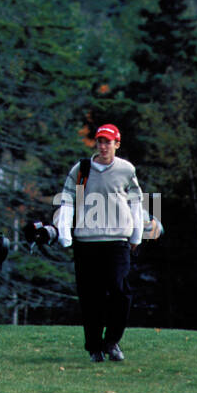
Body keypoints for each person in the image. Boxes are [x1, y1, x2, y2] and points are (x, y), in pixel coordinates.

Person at [53, 123, 143, 363]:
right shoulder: (81, 169)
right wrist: (65, 235)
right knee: (90, 297)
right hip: (86, 242)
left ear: (117, 144)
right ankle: (94, 347)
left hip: (117, 241)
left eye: (108, 142)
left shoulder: (126, 170)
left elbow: (136, 202)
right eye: (100, 141)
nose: (103, 146)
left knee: (120, 292)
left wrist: (136, 236)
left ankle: (112, 341)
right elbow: (67, 201)